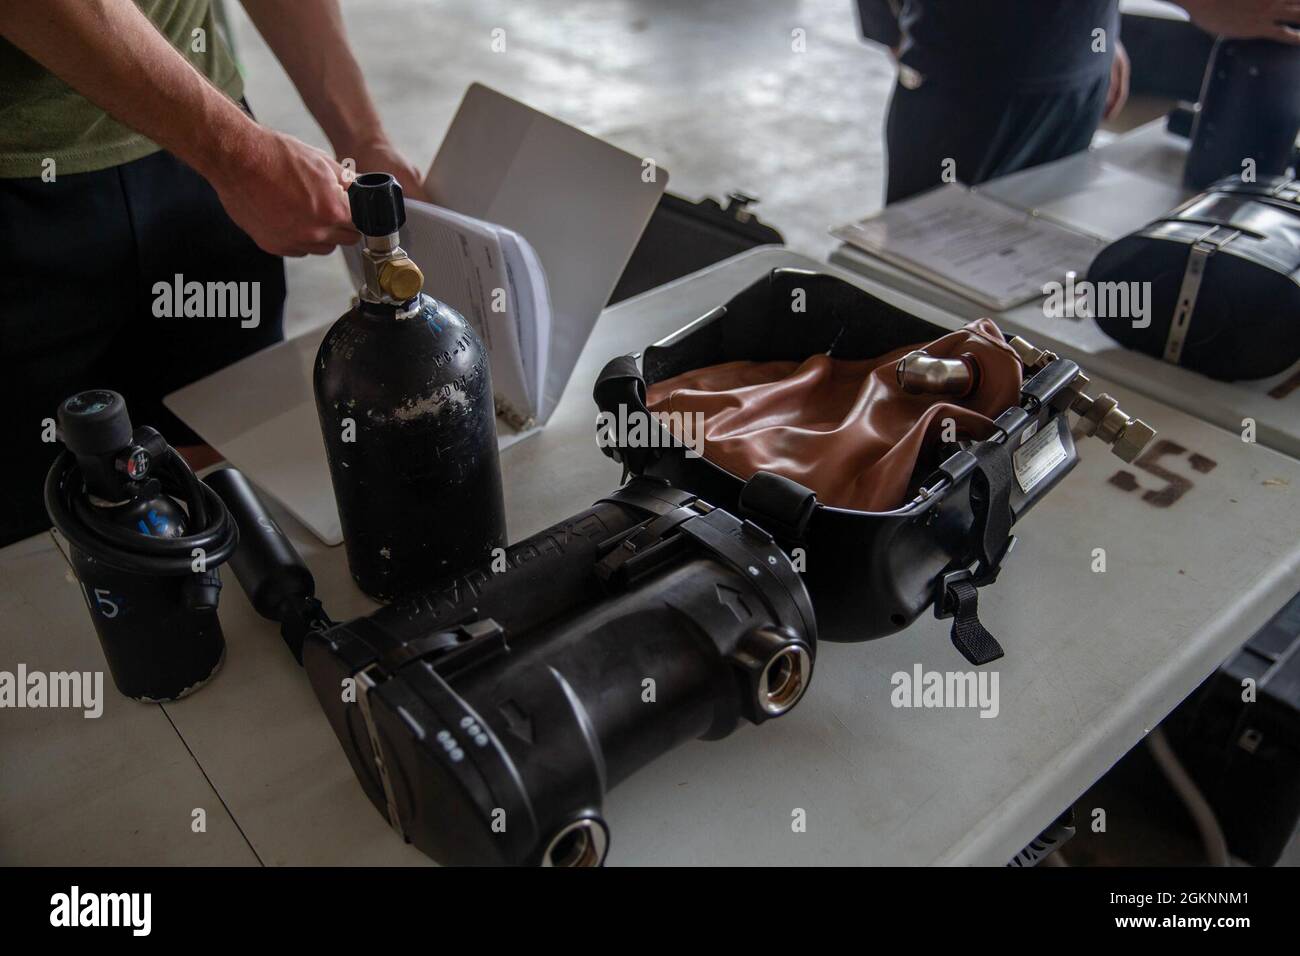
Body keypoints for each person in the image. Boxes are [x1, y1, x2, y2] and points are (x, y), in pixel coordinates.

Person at [0, 0, 426, 545]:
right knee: (42, 536)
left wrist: (364, 137)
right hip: (24, 189)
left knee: (239, 485)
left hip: (202, 146)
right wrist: (239, 158)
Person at [857, 0, 1300, 203]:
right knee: (924, 294)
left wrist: (1096, 26)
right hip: (967, 76)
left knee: (1029, 270)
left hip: (1072, 65)